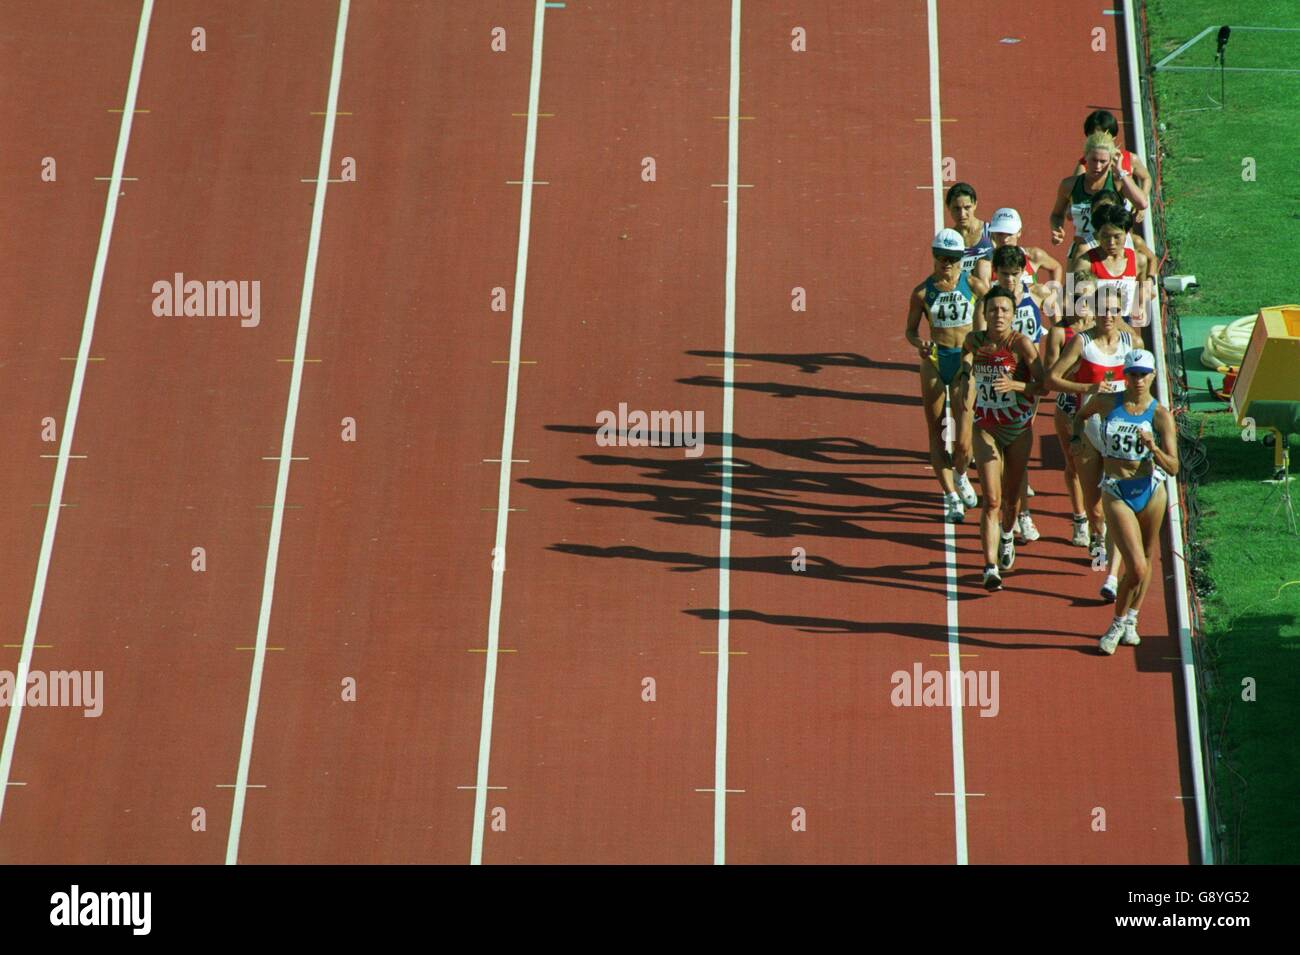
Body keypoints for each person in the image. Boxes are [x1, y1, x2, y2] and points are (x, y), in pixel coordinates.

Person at [1070, 349, 1178, 654]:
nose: (1139, 380)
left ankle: (1132, 619)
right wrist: (1077, 441)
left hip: (1150, 490)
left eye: (1144, 374)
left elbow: (1173, 467)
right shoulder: (1107, 403)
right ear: (1124, 376)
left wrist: (1153, 448)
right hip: (1116, 490)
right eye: (1132, 374)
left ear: (1153, 376)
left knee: (1146, 555)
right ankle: (1116, 624)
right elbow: (1079, 416)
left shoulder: (1160, 415)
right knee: (1137, 567)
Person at [1047, 288, 1137, 600]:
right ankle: (1097, 538)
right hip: (1087, 428)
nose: (1108, 316)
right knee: (1094, 503)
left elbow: (1143, 383)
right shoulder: (1081, 341)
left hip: (1118, 433)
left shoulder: (1131, 342)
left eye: (1114, 310)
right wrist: (1089, 387)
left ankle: (1112, 568)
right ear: (1094, 310)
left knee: (1117, 502)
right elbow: (1052, 378)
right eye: (1103, 309)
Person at [955, 286, 1044, 590]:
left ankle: (1007, 536)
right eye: (993, 310)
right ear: (985, 313)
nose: (999, 315)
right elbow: (965, 358)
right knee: (991, 500)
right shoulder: (974, 340)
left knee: (1010, 500)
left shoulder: (1021, 345)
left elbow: (1043, 384)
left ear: (1013, 314)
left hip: (1017, 428)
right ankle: (989, 567)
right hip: (985, 426)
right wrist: (965, 375)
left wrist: (1016, 386)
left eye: (1005, 310)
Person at [906, 228, 981, 521]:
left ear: (961, 259)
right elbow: (910, 331)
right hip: (936, 362)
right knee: (937, 433)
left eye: (951, 258)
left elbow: (997, 311)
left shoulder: (975, 286)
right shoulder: (922, 293)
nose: (945, 263)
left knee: (964, 440)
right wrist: (920, 344)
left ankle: (961, 473)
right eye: (940, 257)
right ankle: (950, 495)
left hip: (965, 362)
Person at [985, 244, 1056, 543]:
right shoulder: (989, 302)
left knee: (1019, 452)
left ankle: (1022, 515)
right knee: (1003, 454)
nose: (1010, 280)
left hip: (1029, 384)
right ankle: (1009, 512)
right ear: (995, 273)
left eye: (1016, 274)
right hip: (997, 384)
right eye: (1004, 274)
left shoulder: (1037, 295)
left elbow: (1059, 328)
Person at [1041, 277, 1097, 546]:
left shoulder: (1104, 328)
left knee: (1102, 468)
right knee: (1074, 465)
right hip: (1068, 409)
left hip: (1098, 409)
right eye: (1078, 298)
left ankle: (1101, 521)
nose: (1083, 304)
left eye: (1089, 299)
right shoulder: (1059, 333)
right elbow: (1049, 377)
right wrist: (1074, 373)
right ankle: (1080, 519)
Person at [1049, 131, 1148, 256]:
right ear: (1085, 157)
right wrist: (1057, 229)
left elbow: (1142, 204)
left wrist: (1121, 172)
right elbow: (1056, 215)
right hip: (1083, 251)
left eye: (1103, 161)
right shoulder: (1069, 185)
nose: (1098, 166)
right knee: (1072, 276)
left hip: (1116, 252)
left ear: (1112, 160)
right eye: (1094, 160)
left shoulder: (1118, 182)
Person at [1071, 203, 1150, 330]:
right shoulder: (1086, 262)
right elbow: (1072, 296)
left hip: (1123, 319)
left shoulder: (1139, 260)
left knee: (1136, 343)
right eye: (1105, 236)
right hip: (1095, 323)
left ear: (1127, 233)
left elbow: (1142, 285)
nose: (1111, 243)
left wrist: (1142, 307)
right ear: (1097, 234)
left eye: (1117, 236)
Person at [1072, 110, 1152, 221]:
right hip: (1097, 220)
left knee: (1135, 239)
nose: (1099, 139)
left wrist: (1142, 202)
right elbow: (1074, 198)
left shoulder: (1130, 159)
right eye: (1093, 136)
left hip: (1124, 216)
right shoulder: (1084, 165)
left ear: (1113, 137)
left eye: (1103, 135)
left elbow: (1146, 178)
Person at [988, 207, 1063, 288]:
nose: (1005, 239)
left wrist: (1054, 292)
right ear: (993, 234)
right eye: (1000, 234)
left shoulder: (1033, 256)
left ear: (1019, 232)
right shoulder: (985, 263)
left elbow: (1056, 267)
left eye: (1010, 234)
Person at [945, 182, 994, 297]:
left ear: (975, 205)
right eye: (956, 208)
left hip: (990, 298)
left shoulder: (991, 232)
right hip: (963, 300)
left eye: (967, 208)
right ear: (948, 207)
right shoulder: (948, 241)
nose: (962, 214)